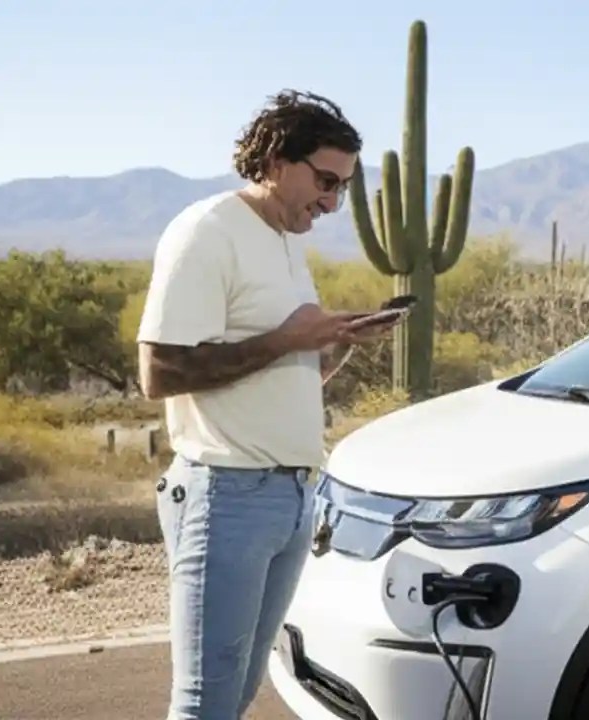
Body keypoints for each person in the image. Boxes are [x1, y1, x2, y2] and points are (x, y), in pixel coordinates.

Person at [136, 89, 395, 720]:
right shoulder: (208, 230)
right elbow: (159, 371)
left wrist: (336, 344)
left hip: (290, 497)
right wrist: (288, 337)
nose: (332, 203)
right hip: (226, 496)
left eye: (343, 189)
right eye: (325, 182)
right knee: (206, 702)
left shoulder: (283, 241)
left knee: (240, 691)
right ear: (278, 160)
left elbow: (282, 371)